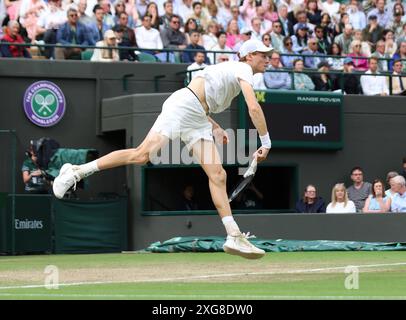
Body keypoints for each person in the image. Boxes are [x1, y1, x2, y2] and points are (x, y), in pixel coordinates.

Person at [52, 39, 273, 259]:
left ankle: (233, 235)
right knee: (141, 155)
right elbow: (253, 108)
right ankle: (77, 171)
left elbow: (205, 98)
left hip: (197, 116)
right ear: (248, 56)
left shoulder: (233, 72)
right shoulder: (242, 68)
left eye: (268, 55)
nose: (268, 59)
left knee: (218, 175)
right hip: (184, 106)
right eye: (263, 54)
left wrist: (216, 127)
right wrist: (265, 142)